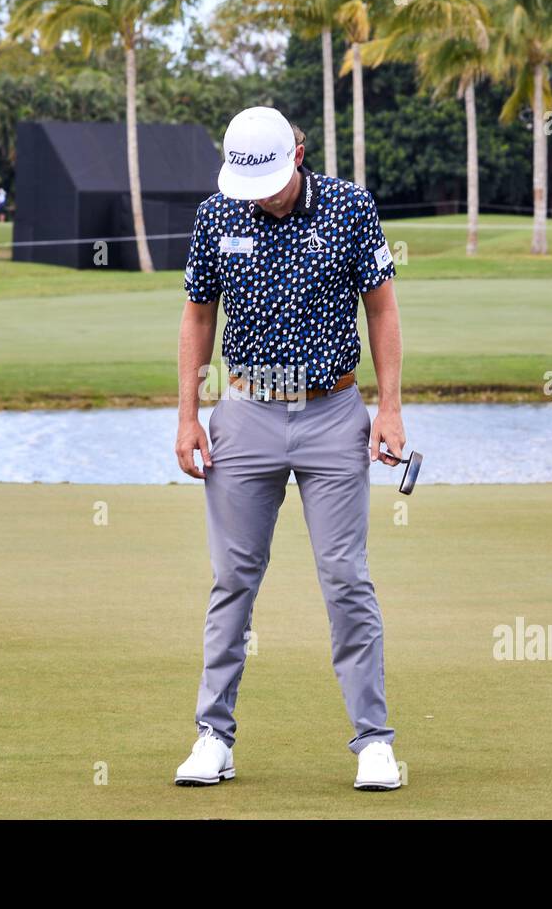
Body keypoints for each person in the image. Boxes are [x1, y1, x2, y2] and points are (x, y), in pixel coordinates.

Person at [173, 106, 406, 791]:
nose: (261, 197)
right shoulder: (218, 215)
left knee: (345, 578)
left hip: (334, 412)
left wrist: (389, 408)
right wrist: (188, 417)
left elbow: (382, 307)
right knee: (233, 579)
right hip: (243, 414)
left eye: (272, 181)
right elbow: (197, 313)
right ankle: (213, 737)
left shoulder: (349, 208)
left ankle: (373, 742)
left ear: (299, 154)